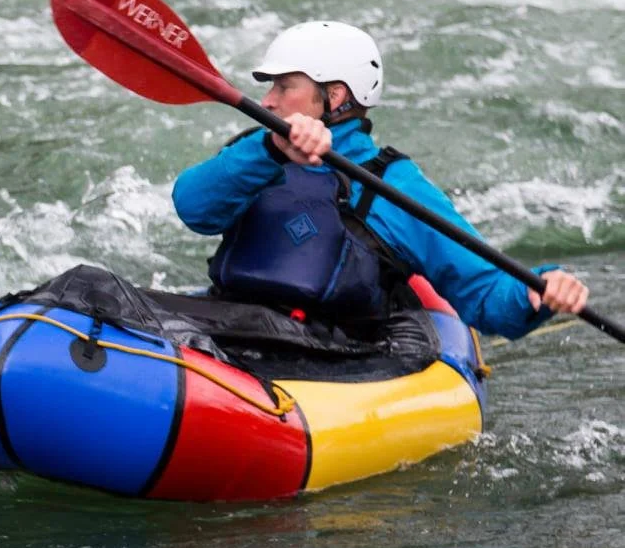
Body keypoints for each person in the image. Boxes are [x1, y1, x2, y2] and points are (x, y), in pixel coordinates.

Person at [172, 20, 589, 340]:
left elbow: (483, 295)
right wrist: (270, 151)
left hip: (327, 356)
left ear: (334, 97)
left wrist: (536, 291)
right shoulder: (257, 153)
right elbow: (193, 209)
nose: (267, 100)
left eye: (284, 86)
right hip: (231, 328)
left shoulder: (392, 185)